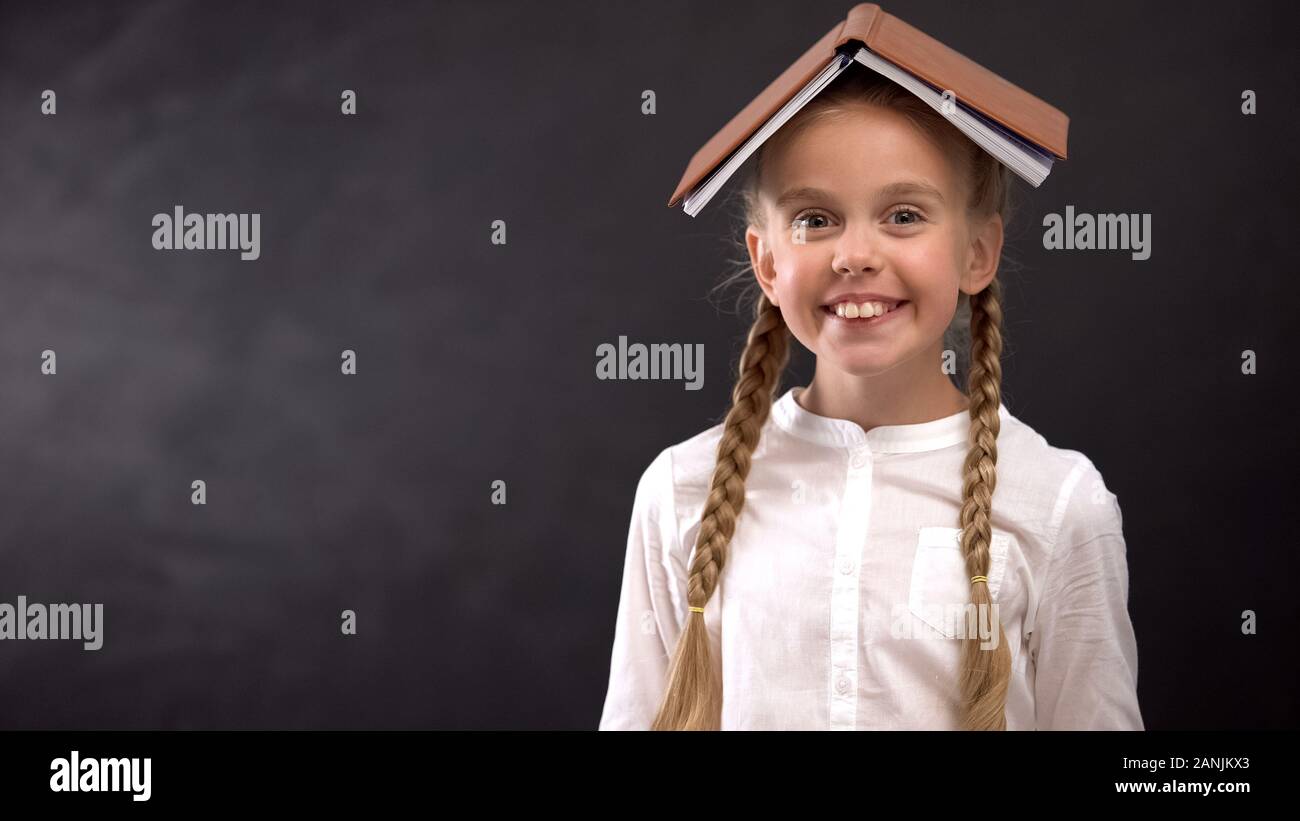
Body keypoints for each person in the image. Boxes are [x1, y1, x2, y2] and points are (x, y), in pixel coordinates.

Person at [598, 64, 1142, 731]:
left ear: (977, 251)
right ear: (767, 261)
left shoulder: (1060, 503)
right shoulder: (680, 491)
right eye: (815, 219)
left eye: (904, 215)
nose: (855, 254)